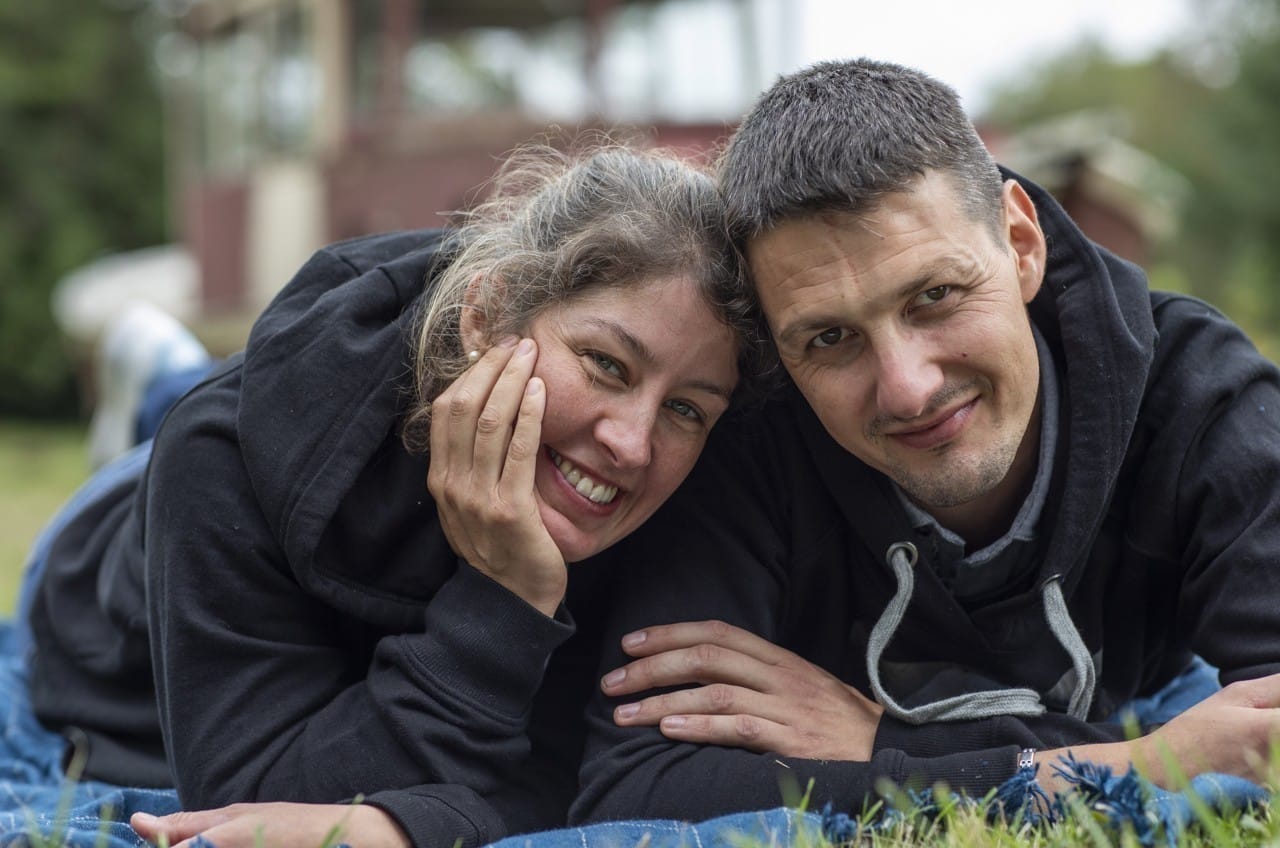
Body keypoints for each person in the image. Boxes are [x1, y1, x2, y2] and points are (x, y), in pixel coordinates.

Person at [563, 58, 1280, 827]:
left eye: (934, 296)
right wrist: (1134, 763)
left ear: (1020, 240)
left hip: (1157, 684)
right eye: (830, 338)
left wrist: (884, 742)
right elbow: (637, 789)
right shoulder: (747, 433)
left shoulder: (1199, 395)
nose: (906, 386)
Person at [11, 141, 766, 848]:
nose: (633, 443)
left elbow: (597, 777)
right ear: (485, 316)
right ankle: (158, 384)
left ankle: (164, 373)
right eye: (606, 364)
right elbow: (261, 803)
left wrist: (410, 824)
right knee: (178, 425)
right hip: (112, 560)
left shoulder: (673, 482)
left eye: (686, 408)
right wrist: (507, 599)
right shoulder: (218, 456)